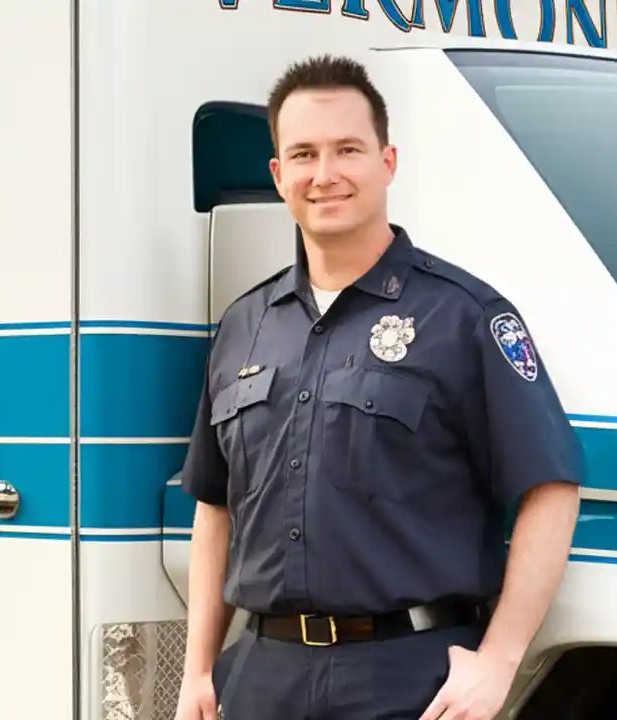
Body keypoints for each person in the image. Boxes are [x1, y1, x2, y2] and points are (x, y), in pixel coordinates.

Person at [174, 53, 583, 720]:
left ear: (387, 163)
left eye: (348, 150)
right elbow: (215, 507)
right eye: (303, 154)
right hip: (260, 678)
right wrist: (198, 671)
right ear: (279, 176)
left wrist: (502, 659)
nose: (325, 174)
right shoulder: (244, 325)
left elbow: (551, 486)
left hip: (408, 679)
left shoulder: (464, 316)